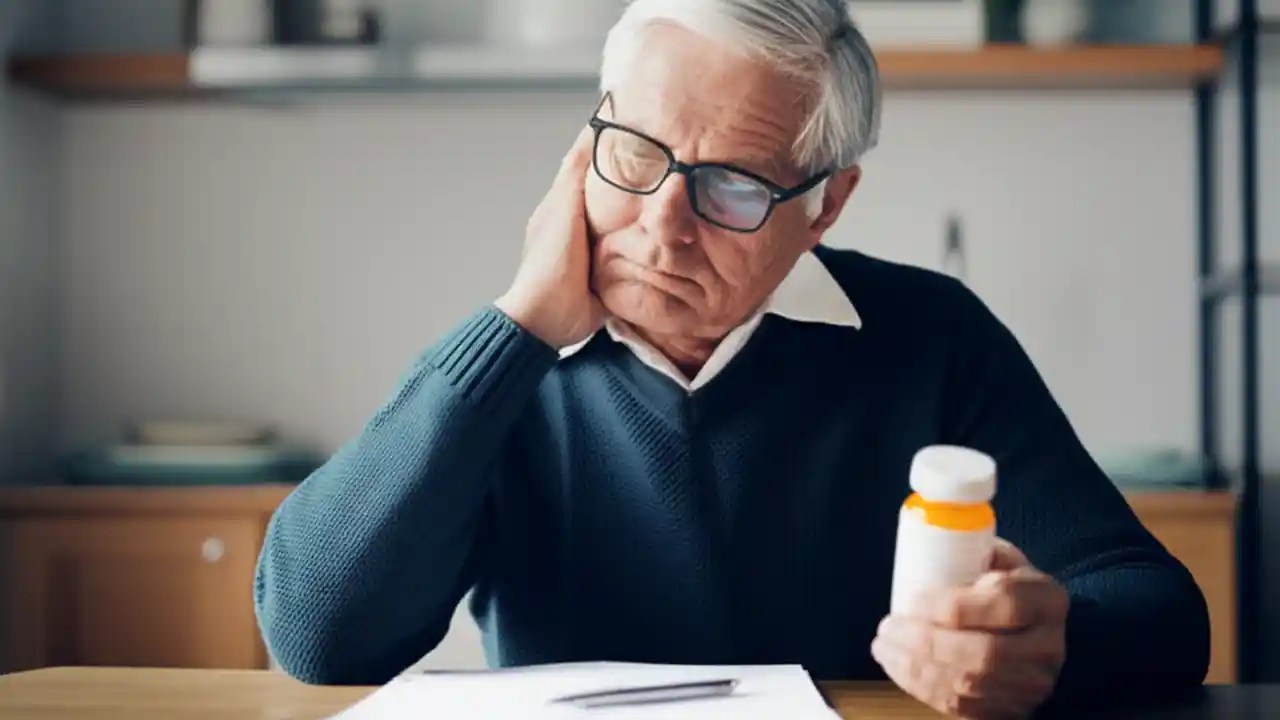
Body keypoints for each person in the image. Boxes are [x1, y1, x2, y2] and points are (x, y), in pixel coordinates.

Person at [254, 0, 1210, 716]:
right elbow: (318, 634)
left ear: (826, 206)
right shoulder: (508, 368)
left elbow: (1161, 612)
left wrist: (1049, 647)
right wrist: (519, 327)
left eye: (733, 187)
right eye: (635, 152)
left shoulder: (932, 338)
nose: (661, 224)